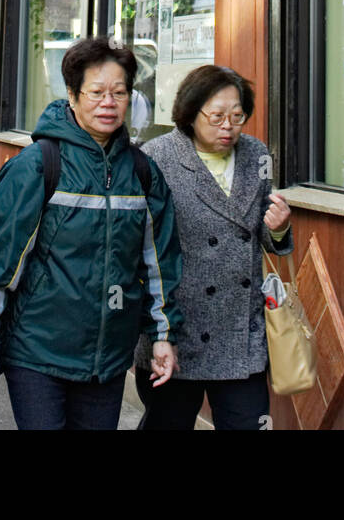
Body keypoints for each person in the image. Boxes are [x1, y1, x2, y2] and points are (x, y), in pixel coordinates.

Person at [0, 35, 183, 431]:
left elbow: (161, 264)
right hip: (38, 352)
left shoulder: (142, 172)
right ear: (71, 94)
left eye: (119, 92)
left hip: (106, 360)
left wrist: (163, 334)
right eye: (97, 92)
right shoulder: (38, 165)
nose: (109, 102)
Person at [133, 64, 293, 431]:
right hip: (175, 329)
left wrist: (280, 228)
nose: (228, 127)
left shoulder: (256, 155)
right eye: (217, 116)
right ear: (191, 113)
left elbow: (264, 236)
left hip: (240, 333)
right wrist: (158, 329)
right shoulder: (157, 157)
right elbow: (140, 247)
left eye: (237, 116)